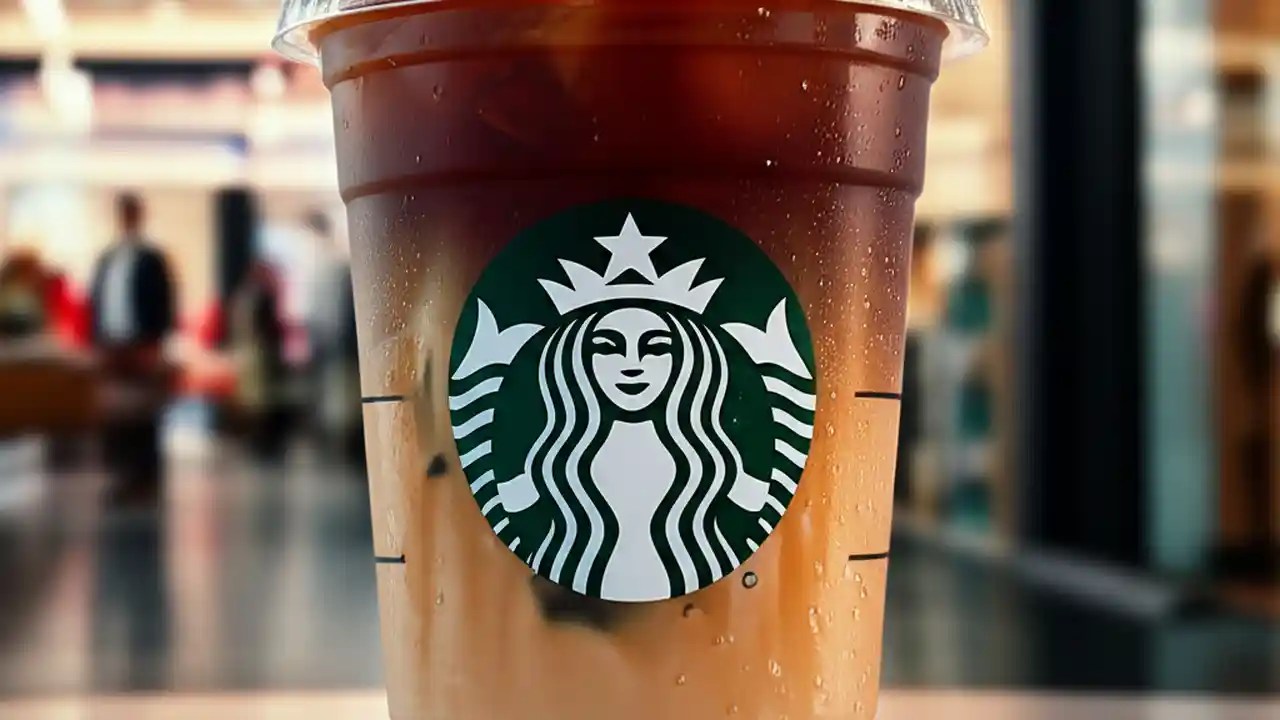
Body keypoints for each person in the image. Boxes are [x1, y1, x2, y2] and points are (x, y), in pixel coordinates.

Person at [89, 193, 176, 506]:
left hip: (142, 343)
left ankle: (146, 479)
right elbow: (96, 303)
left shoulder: (151, 258)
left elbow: (164, 302)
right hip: (112, 344)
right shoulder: (107, 258)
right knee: (116, 415)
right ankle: (121, 477)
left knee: (143, 414)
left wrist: (156, 341)